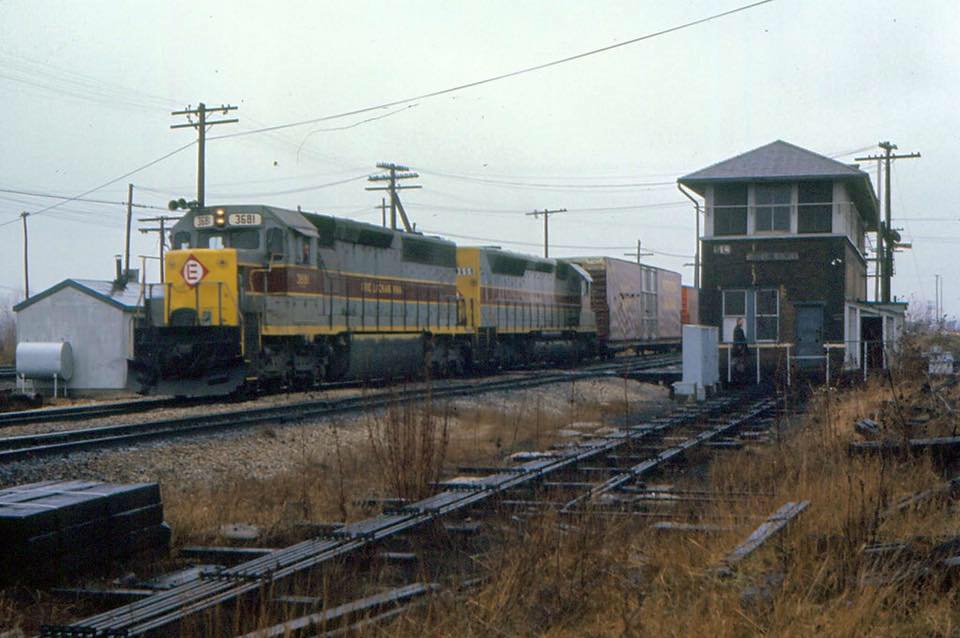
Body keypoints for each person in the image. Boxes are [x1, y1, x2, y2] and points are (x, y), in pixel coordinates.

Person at [732, 317, 749, 382]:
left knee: (738, 364)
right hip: (738, 351)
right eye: (741, 321)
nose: (742, 323)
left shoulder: (737, 329)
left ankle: (738, 378)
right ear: (738, 321)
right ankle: (738, 379)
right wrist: (741, 349)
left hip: (738, 351)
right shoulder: (738, 330)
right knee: (739, 364)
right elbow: (738, 340)